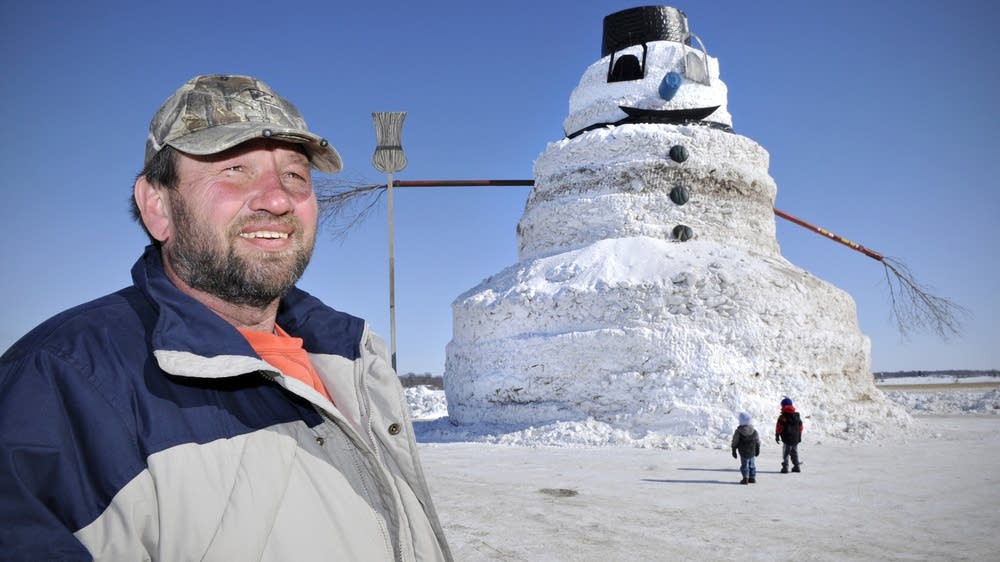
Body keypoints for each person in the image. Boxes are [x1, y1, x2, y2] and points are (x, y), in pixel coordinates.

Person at [0, 74, 452, 561]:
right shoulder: (63, 385)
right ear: (158, 205)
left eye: (296, 175)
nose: (278, 199)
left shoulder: (351, 359)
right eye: (235, 168)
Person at [775, 396, 804, 473]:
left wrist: (777, 436)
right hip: (795, 438)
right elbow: (800, 427)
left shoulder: (782, 417)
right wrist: (799, 436)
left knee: (786, 453)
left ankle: (785, 467)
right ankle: (796, 466)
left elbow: (779, 427)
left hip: (787, 439)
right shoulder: (797, 416)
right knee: (794, 452)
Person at [731, 411, 760, 485]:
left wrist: (733, 448)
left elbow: (735, 440)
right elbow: (757, 441)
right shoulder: (754, 431)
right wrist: (757, 448)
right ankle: (752, 478)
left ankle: (745, 478)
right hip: (752, 451)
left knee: (745, 465)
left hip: (743, 451)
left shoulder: (738, 431)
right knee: (752, 464)